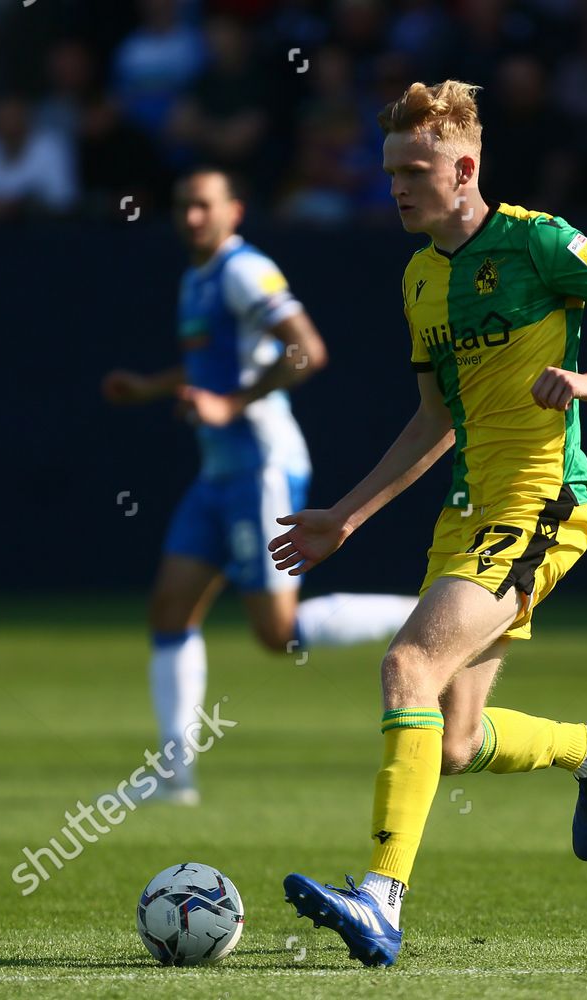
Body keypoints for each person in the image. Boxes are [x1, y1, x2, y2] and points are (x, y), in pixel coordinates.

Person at [268, 80, 587, 966]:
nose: (396, 185)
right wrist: (345, 519)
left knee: (406, 663)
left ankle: (380, 899)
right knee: (454, 740)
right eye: (389, 169)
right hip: (465, 516)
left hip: (542, 504)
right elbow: (435, 420)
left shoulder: (537, 241)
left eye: (414, 169)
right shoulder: (421, 276)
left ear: (465, 168)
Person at [102, 168, 418, 804]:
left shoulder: (246, 269)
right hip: (218, 475)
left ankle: (421, 613)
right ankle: (175, 775)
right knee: (170, 607)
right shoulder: (198, 277)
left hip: (262, 468)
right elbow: (212, 365)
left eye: (204, 206)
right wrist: (153, 387)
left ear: (234, 210)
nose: (191, 218)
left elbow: (307, 351)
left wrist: (233, 403)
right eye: (183, 206)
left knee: (277, 635)